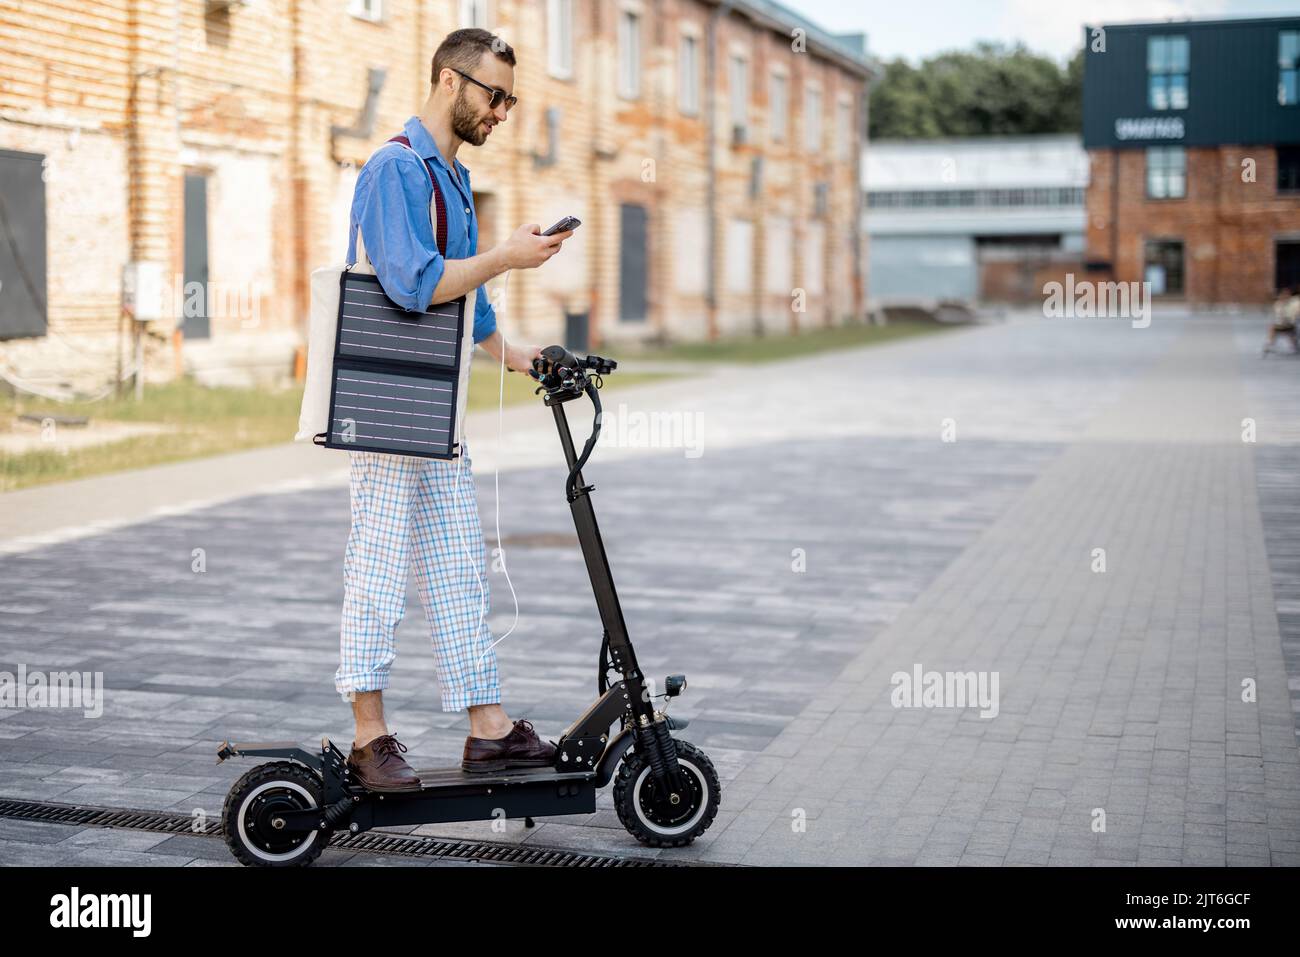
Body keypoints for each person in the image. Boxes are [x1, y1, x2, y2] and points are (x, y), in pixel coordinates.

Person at [337, 28, 575, 791]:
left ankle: (489, 728)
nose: (502, 112)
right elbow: (413, 284)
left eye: (510, 99)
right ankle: (368, 735)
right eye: (493, 95)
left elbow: (466, 304)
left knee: (457, 566)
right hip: (386, 408)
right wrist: (504, 256)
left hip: (438, 410)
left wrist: (521, 353)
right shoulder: (392, 169)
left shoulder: (454, 180)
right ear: (449, 81)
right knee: (377, 567)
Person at [1263, 286, 1300, 355]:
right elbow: (1278, 315)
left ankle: (1295, 346)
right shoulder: (1278, 304)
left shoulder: (1294, 303)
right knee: (1273, 327)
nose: (1284, 296)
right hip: (1281, 324)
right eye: (1283, 295)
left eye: (1286, 294)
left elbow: (1295, 313)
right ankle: (1270, 344)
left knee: (1291, 331)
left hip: (1290, 323)